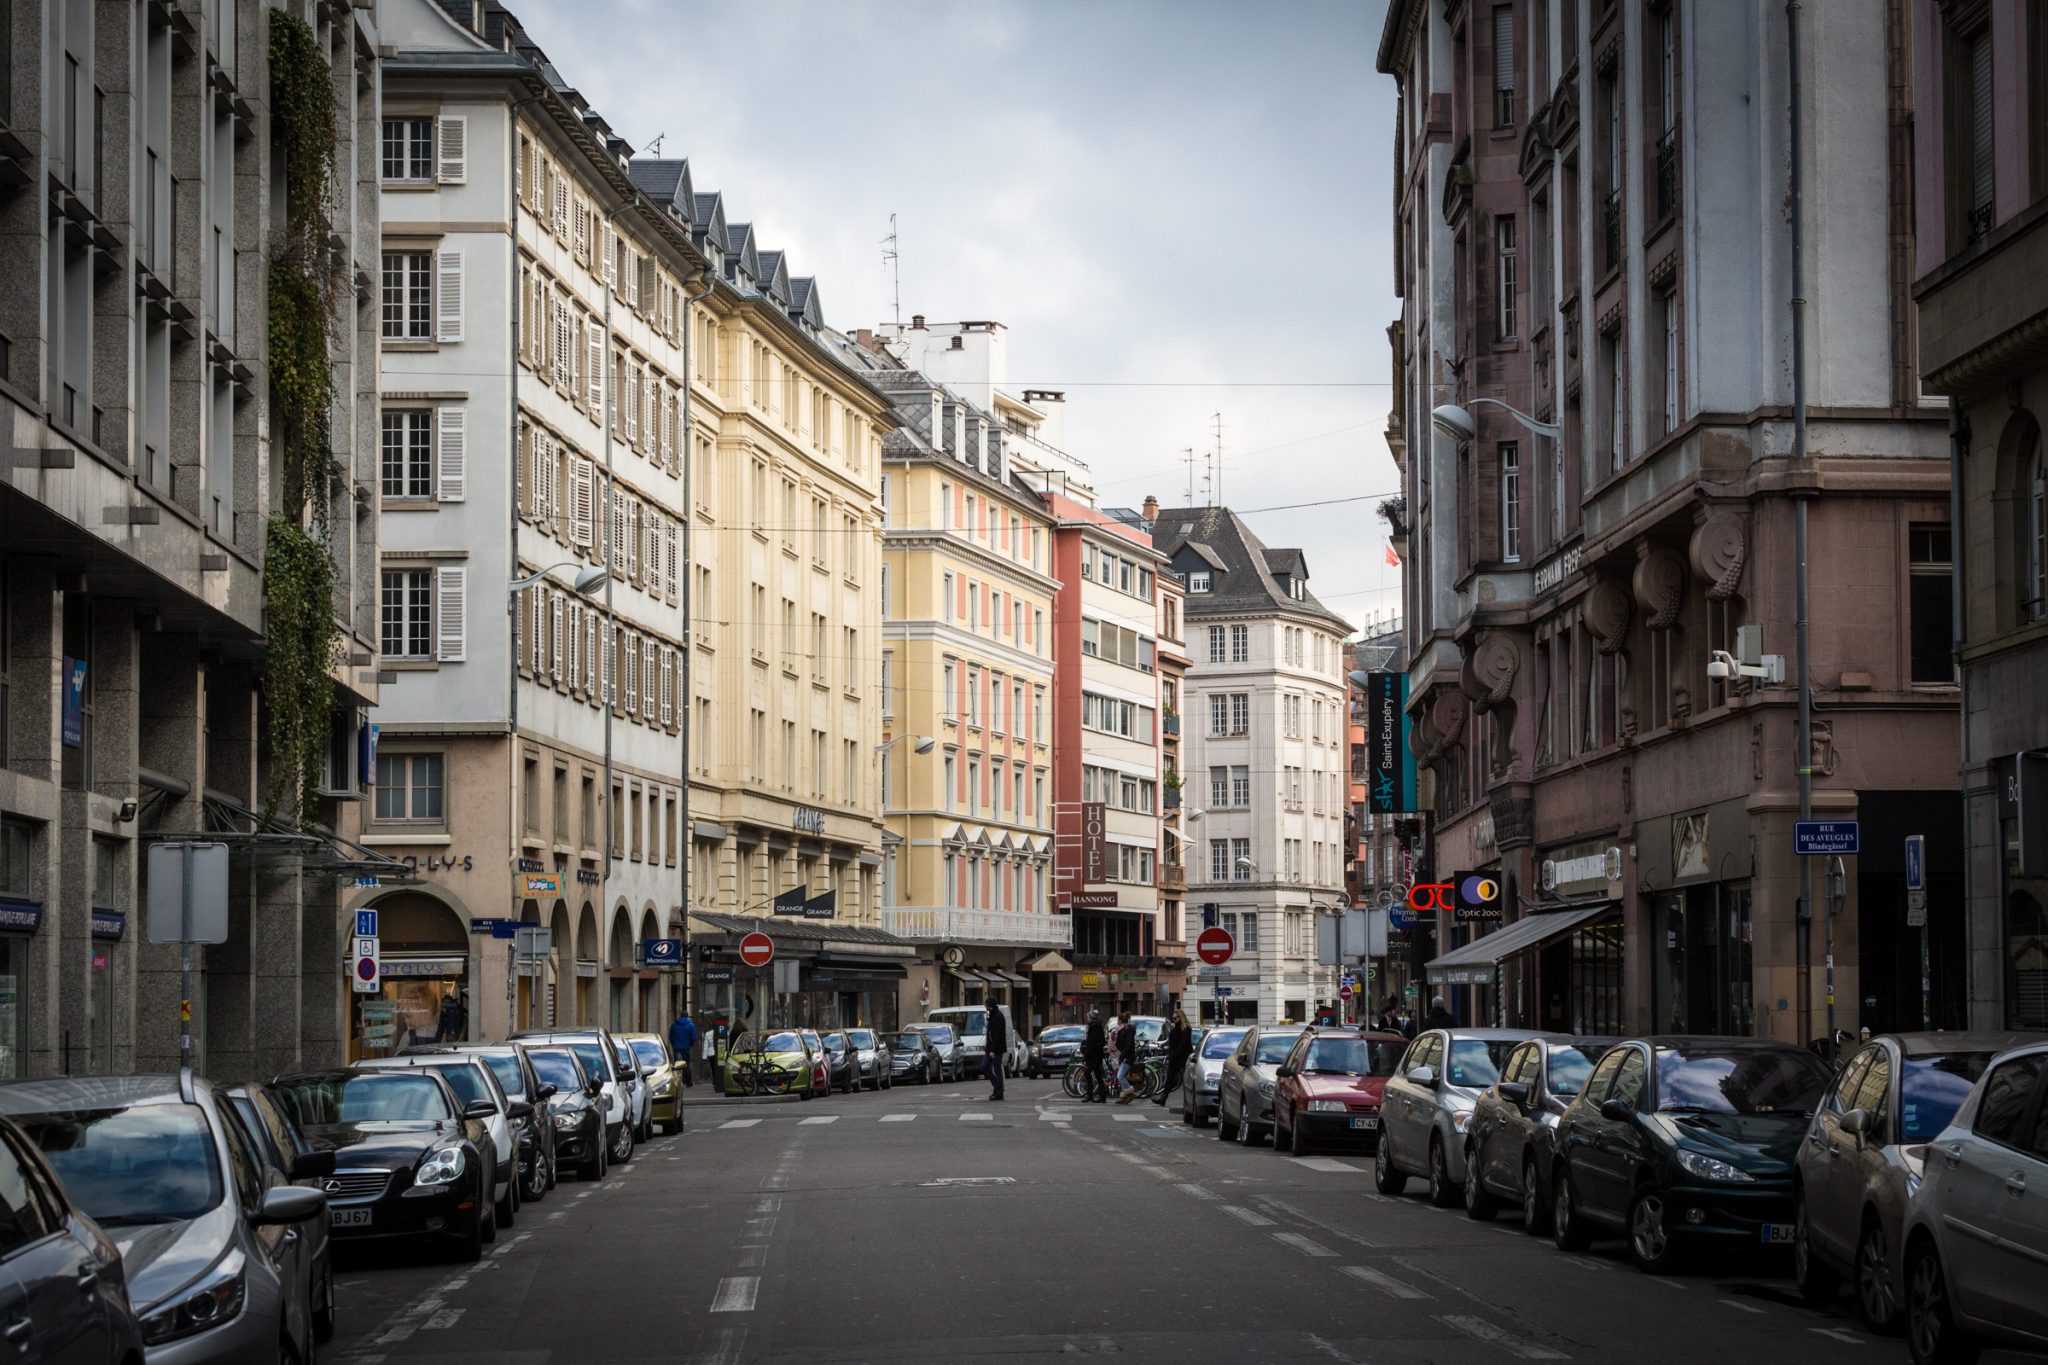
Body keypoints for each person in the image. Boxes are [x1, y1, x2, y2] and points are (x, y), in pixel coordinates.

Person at [1158, 1007, 1192, 1108]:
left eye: (1176, 1018)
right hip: (1174, 1058)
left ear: (1181, 1017)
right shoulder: (1173, 1030)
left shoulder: (1186, 1029)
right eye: (1173, 1018)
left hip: (1184, 1057)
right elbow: (1171, 1043)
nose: (1175, 1020)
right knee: (1169, 1079)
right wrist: (1171, 1055)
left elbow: (1184, 1044)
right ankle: (1163, 1098)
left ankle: (1188, 1101)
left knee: (1188, 1080)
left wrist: (1175, 1054)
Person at [1081, 1009, 1110, 1103]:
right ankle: (1102, 1096)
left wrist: (1086, 1056)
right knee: (1097, 1075)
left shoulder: (1094, 1028)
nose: (1087, 1018)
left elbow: (1092, 1044)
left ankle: (1090, 1095)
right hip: (1097, 1055)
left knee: (1088, 1073)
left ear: (1091, 1018)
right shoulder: (1097, 1027)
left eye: (1088, 1017)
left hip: (1094, 1055)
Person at [984, 1004, 1008, 1101]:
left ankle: (999, 1091)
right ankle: (998, 1087)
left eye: (987, 1005)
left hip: (996, 1049)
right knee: (984, 1066)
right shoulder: (993, 1015)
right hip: (990, 1048)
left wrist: (993, 1050)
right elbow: (990, 1034)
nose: (986, 1007)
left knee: (997, 1069)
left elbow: (997, 1036)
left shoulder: (998, 1016)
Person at [1113, 1012, 1139, 1104]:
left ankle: (1130, 1091)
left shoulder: (1127, 1030)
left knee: (1120, 1076)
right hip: (1123, 1055)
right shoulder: (1122, 1030)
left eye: (1117, 1020)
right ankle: (1124, 1097)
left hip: (1127, 1057)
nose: (1117, 1022)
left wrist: (1123, 1054)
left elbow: (1128, 1044)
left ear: (1120, 1020)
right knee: (1122, 1076)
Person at [668, 1011, 698, 1087]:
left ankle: (677, 1082)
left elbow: (671, 1036)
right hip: (686, 1048)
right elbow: (693, 1037)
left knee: (678, 1065)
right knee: (687, 1065)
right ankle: (688, 1082)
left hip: (677, 1048)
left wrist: (674, 1044)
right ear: (687, 1016)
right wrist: (689, 1044)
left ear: (680, 1016)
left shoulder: (674, 1025)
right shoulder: (691, 1025)